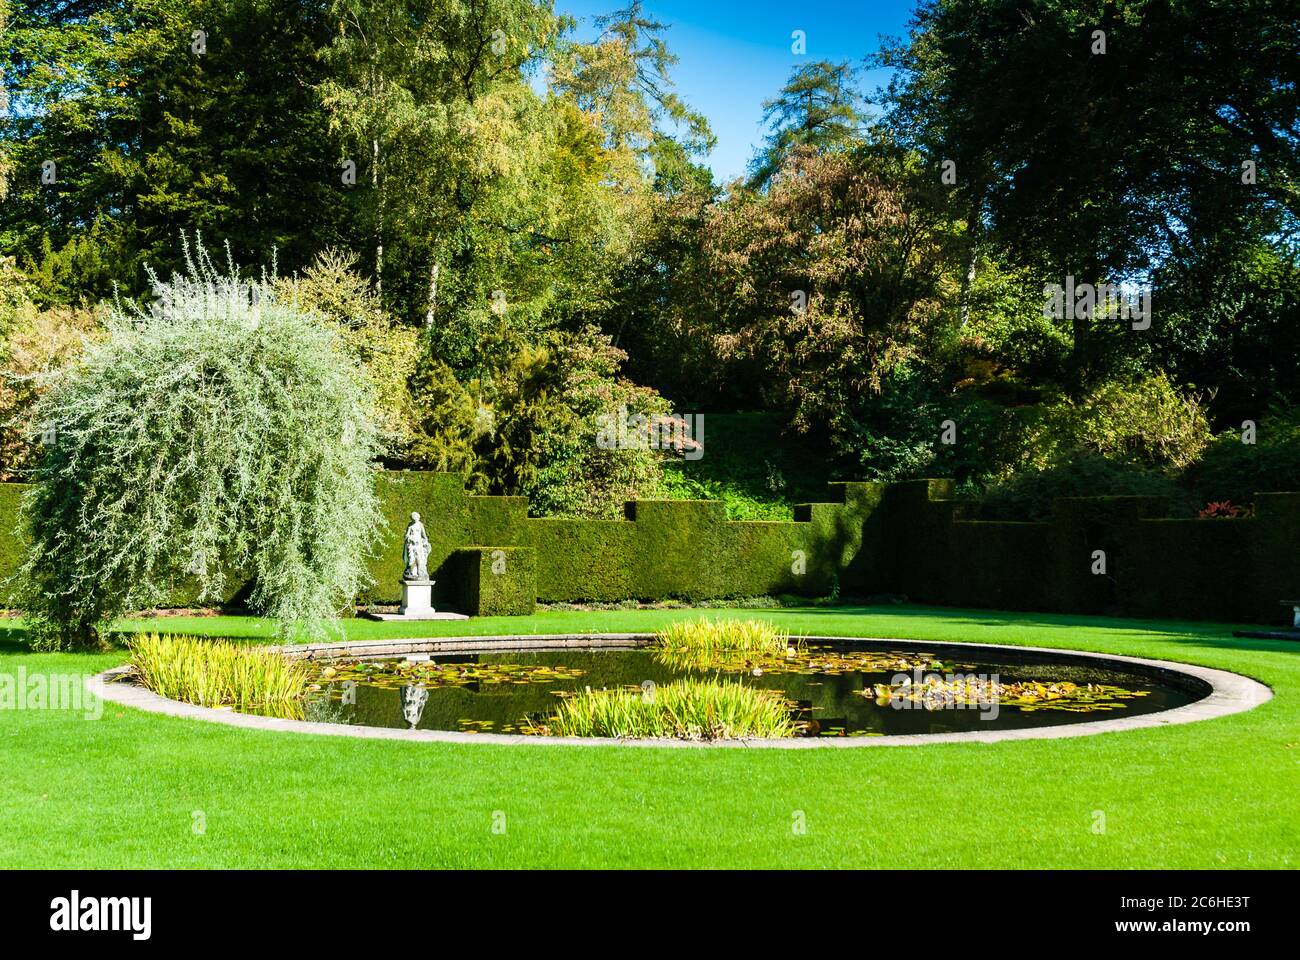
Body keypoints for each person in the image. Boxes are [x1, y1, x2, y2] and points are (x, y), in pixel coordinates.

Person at [402, 512, 431, 579]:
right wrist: (408, 537)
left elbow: (423, 534)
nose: (415, 520)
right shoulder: (410, 525)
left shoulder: (420, 525)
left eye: (416, 518)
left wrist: (426, 541)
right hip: (411, 544)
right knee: (411, 558)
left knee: (419, 558)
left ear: (418, 518)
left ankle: (421, 573)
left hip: (418, 544)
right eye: (413, 519)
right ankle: (409, 572)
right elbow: (407, 535)